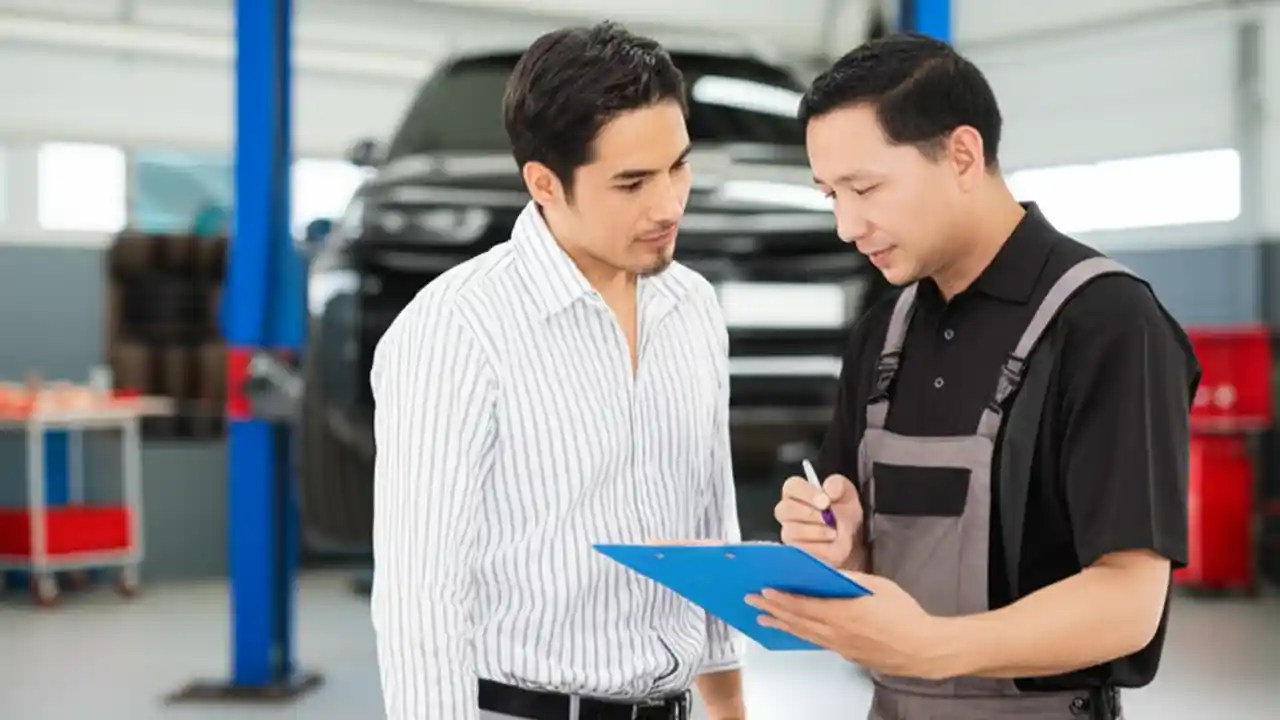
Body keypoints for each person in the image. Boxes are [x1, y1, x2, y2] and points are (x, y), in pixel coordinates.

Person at [751, 33, 1200, 720]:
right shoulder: (882, 332)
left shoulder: (1109, 323)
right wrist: (838, 542)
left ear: (962, 155)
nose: (846, 225)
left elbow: (1126, 604)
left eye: (865, 188)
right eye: (830, 194)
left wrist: (936, 646)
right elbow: (862, 561)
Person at [369, 21, 746, 720]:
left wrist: (729, 710)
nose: (668, 205)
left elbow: (709, 525)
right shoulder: (456, 329)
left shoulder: (692, 306)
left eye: (678, 167)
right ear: (544, 183)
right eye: (631, 182)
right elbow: (422, 598)